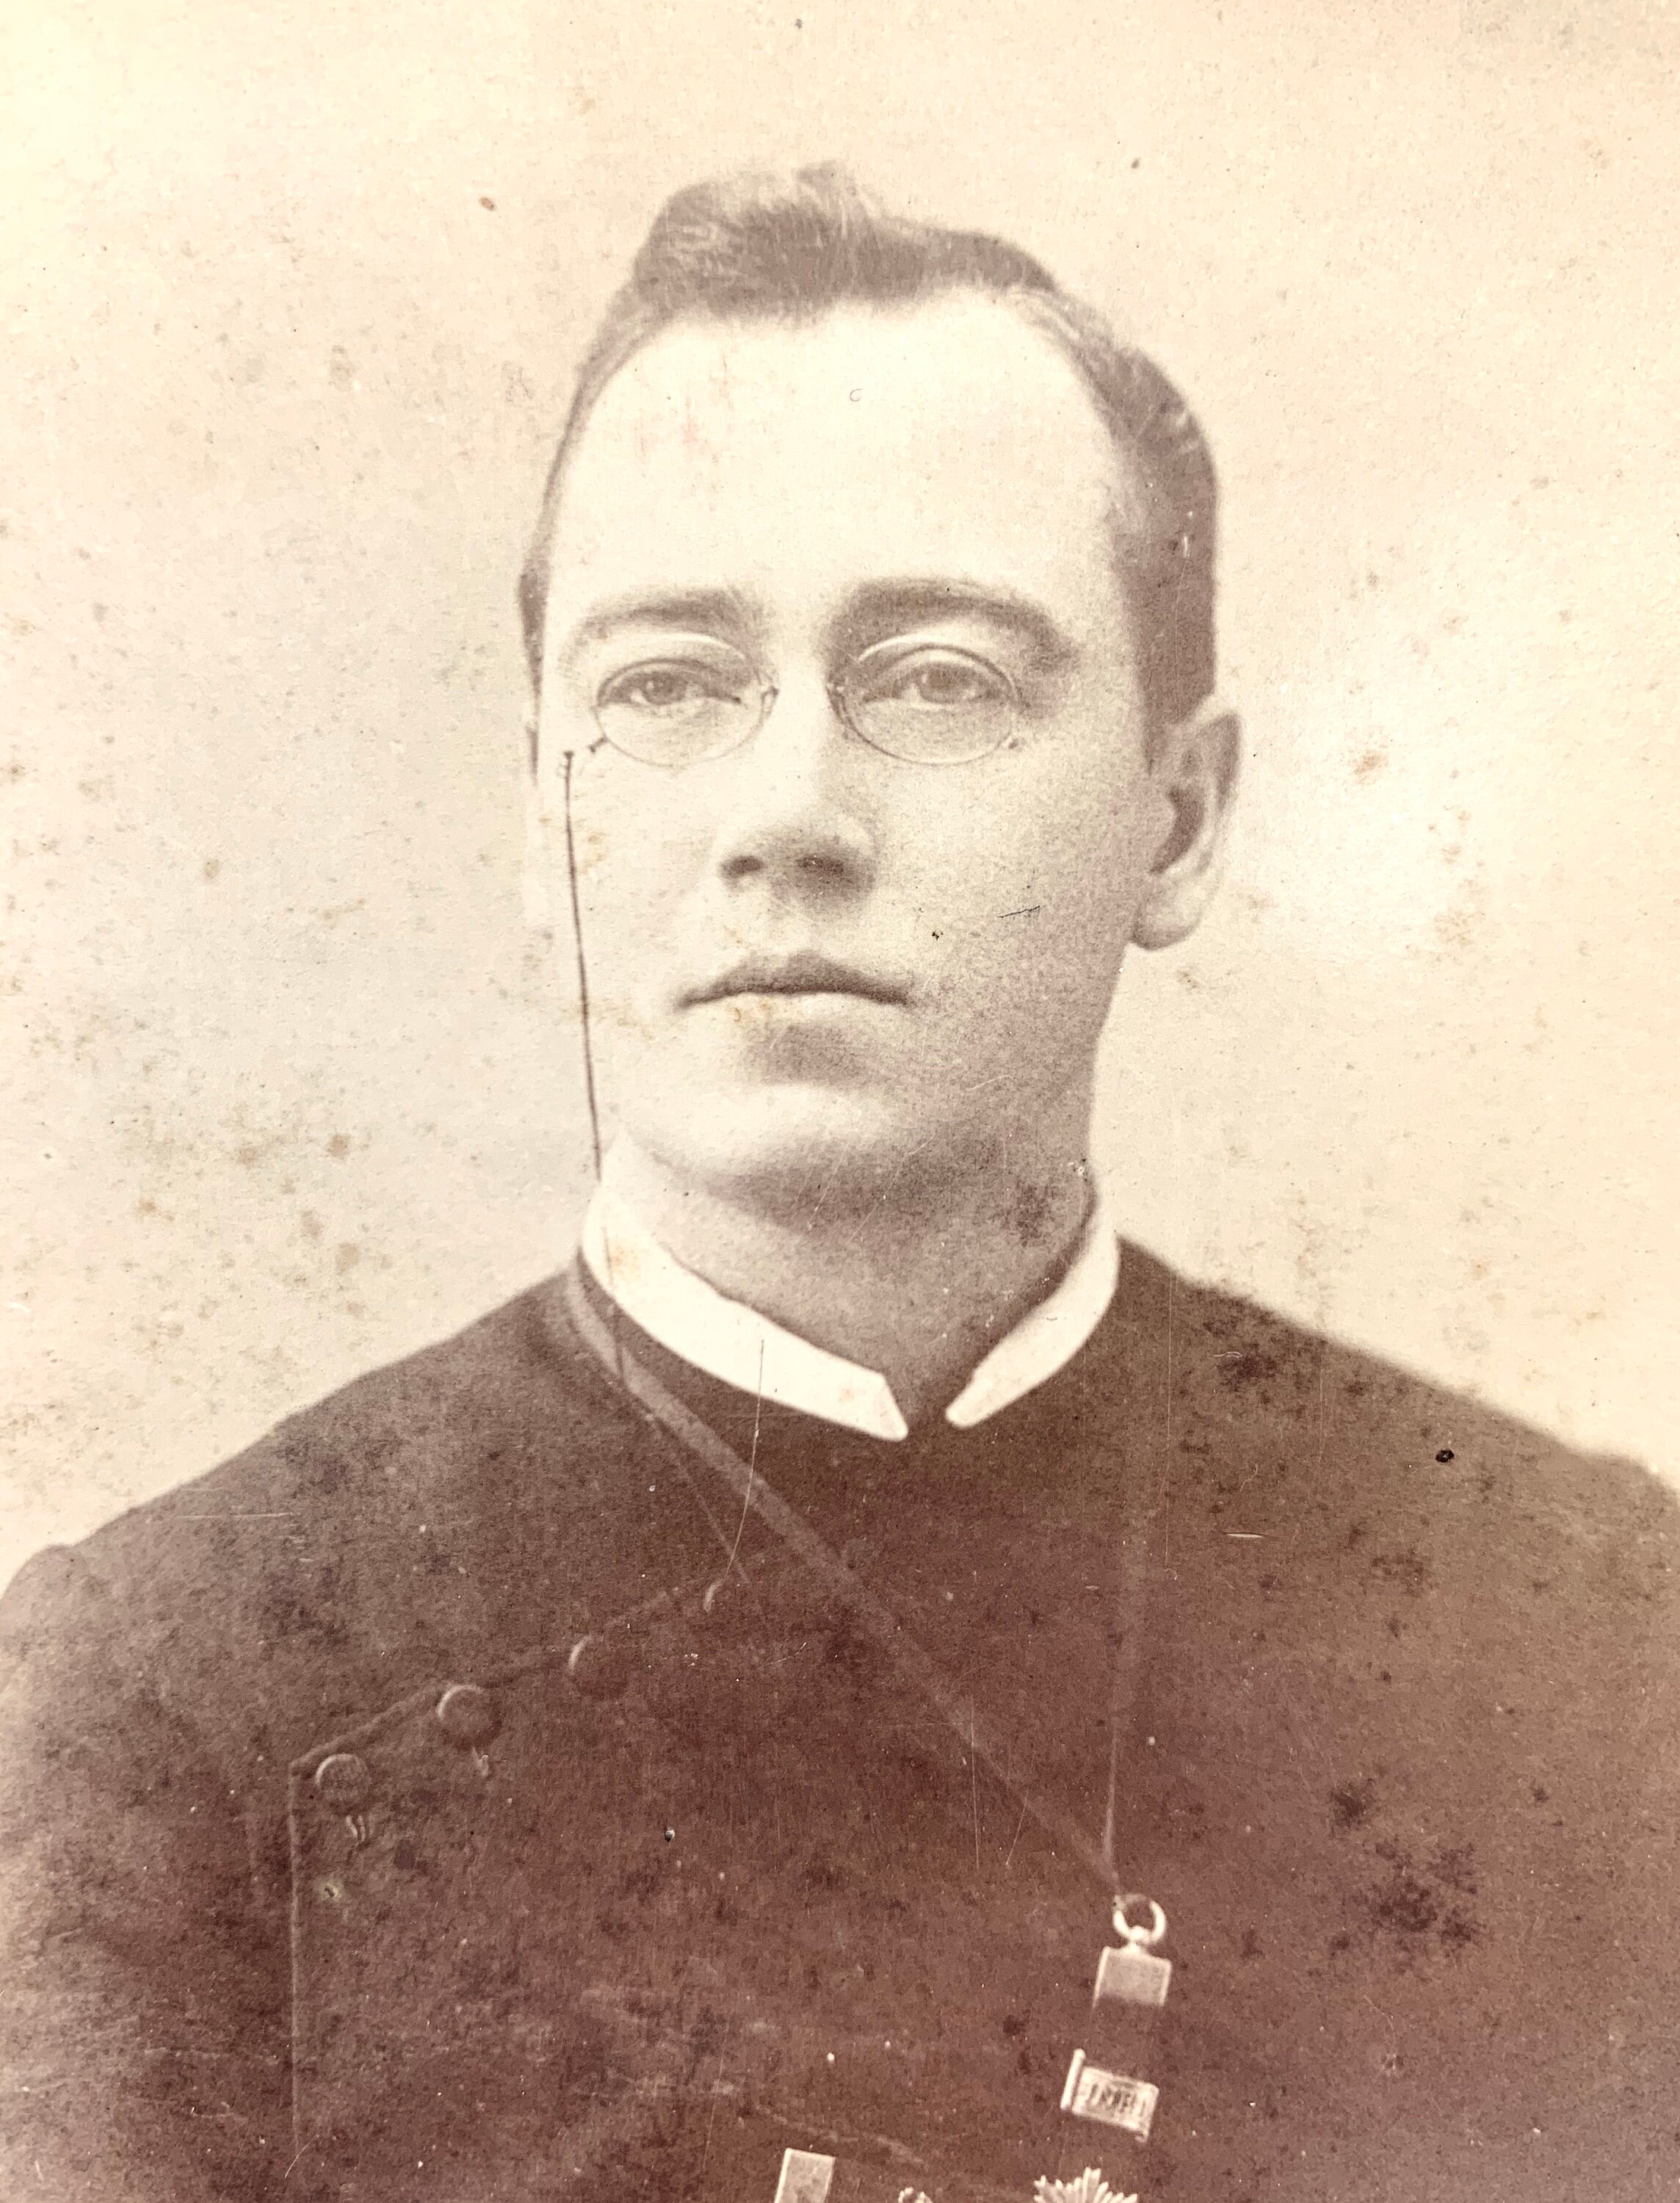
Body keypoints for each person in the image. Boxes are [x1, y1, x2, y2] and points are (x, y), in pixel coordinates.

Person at [1, 165, 1675, 2203]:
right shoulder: (161, 1697)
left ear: (1180, 817)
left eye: (939, 677)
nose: (786, 811)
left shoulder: (1577, 1635)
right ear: (546, 828)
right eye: (668, 687)